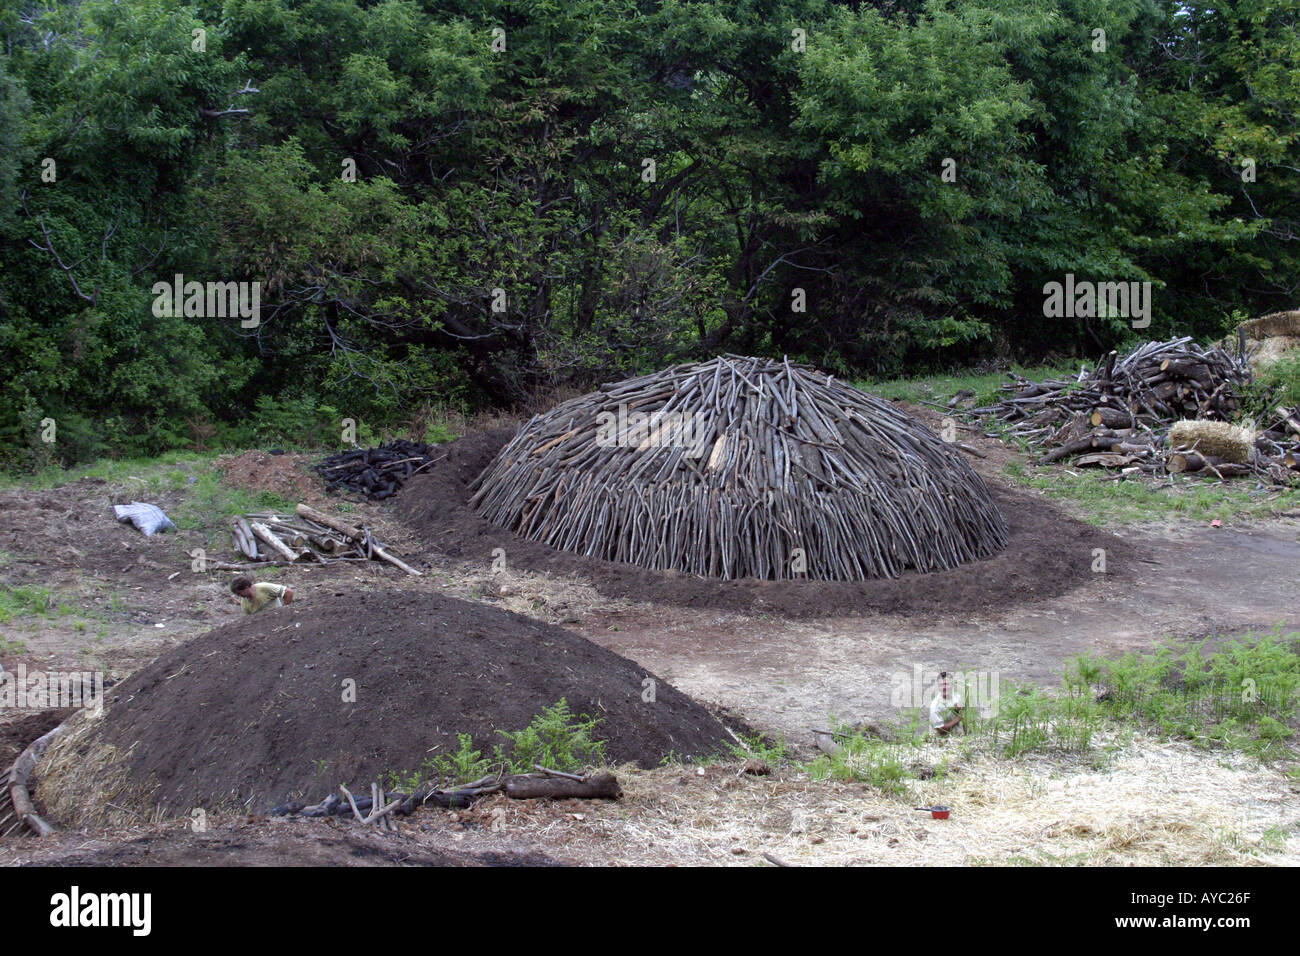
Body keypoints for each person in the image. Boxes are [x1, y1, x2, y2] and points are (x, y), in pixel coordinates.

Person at [929, 671, 963, 736]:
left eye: (947, 684)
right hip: (940, 742)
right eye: (941, 685)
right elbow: (941, 729)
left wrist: (957, 710)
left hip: (959, 739)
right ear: (938, 686)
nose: (944, 688)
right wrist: (958, 718)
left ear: (952, 685)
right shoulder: (935, 705)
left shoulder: (957, 697)